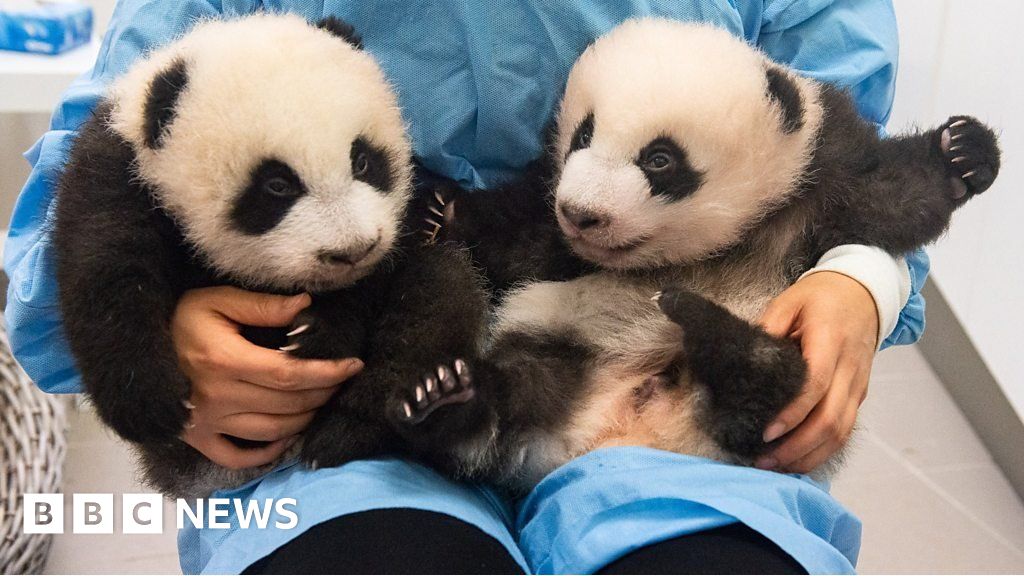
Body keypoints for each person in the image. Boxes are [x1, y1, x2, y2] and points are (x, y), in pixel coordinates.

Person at [5, 0, 927, 573]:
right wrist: (160, 342)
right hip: (337, 420)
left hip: (669, 399)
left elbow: (847, 135)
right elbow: (107, 170)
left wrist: (861, 277)